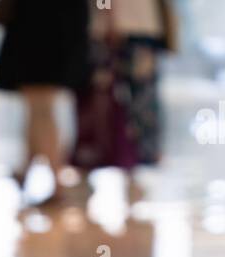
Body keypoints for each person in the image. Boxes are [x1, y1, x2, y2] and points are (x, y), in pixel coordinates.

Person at [0, 0, 90, 206]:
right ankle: (26, 170)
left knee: (40, 106)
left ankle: (56, 184)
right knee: (36, 106)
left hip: (42, 25)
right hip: (50, 23)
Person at [73, 0, 176, 191]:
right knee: (133, 99)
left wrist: (107, 16)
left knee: (105, 96)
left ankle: (125, 160)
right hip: (134, 27)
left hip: (124, 27)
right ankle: (130, 161)